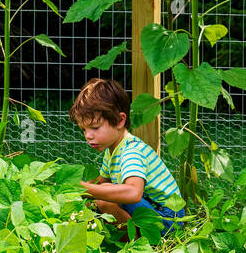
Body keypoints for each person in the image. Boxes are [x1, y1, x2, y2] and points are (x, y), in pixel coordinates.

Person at [69, 78, 186, 232]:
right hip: (151, 211)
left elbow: (134, 193)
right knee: (101, 194)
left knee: (104, 202)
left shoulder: (131, 151)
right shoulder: (112, 149)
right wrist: (71, 189)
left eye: (95, 127)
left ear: (119, 120)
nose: (88, 136)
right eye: (84, 129)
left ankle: (135, 246)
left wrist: (85, 189)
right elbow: (99, 182)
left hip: (168, 219)